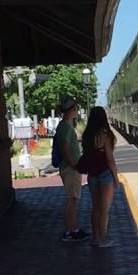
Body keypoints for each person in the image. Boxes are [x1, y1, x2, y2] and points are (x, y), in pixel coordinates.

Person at [80, 106, 118, 248]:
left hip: (92, 175)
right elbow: (109, 159)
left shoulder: (87, 135)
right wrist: (116, 177)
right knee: (104, 210)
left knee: (95, 207)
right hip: (105, 174)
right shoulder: (105, 134)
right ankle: (103, 239)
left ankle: (95, 238)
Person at [55, 97, 86, 242]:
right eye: (75, 109)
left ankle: (73, 228)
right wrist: (74, 164)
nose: (76, 111)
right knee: (72, 200)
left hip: (67, 168)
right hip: (70, 168)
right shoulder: (67, 127)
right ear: (72, 110)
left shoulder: (62, 126)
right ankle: (70, 231)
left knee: (72, 199)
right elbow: (66, 148)